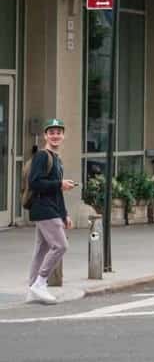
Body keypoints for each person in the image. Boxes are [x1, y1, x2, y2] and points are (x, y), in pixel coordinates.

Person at [25, 118, 74, 305]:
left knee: (41, 250)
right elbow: (35, 183)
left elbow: (57, 192)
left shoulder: (57, 160)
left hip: (51, 209)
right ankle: (40, 283)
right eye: (51, 132)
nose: (55, 136)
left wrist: (65, 214)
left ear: (63, 135)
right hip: (43, 209)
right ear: (45, 135)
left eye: (58, 132)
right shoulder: (42, 156)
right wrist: (59, 183)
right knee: (61, 246)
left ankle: (32, 289)